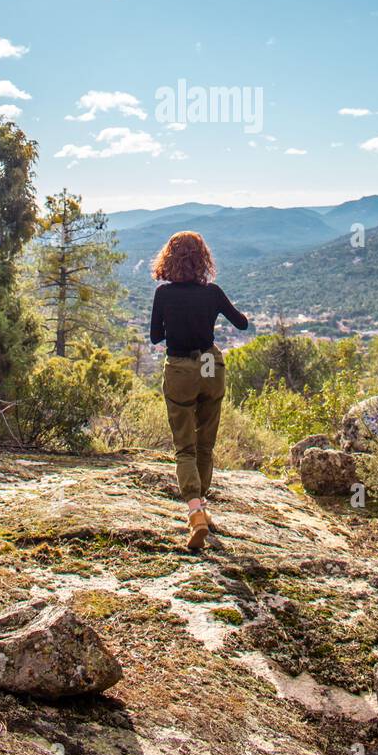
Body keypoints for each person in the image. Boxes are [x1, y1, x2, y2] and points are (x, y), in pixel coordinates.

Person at [149, 230, 249, 550]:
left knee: (185, 447)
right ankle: (202, 507)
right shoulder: (213, 292)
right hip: (210, 365)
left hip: (180, 368)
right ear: (202, 258)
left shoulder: (164, 294)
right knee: (205, 444)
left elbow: (154, 337)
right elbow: (242, 324)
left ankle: (195, 511)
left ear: (170, 258)